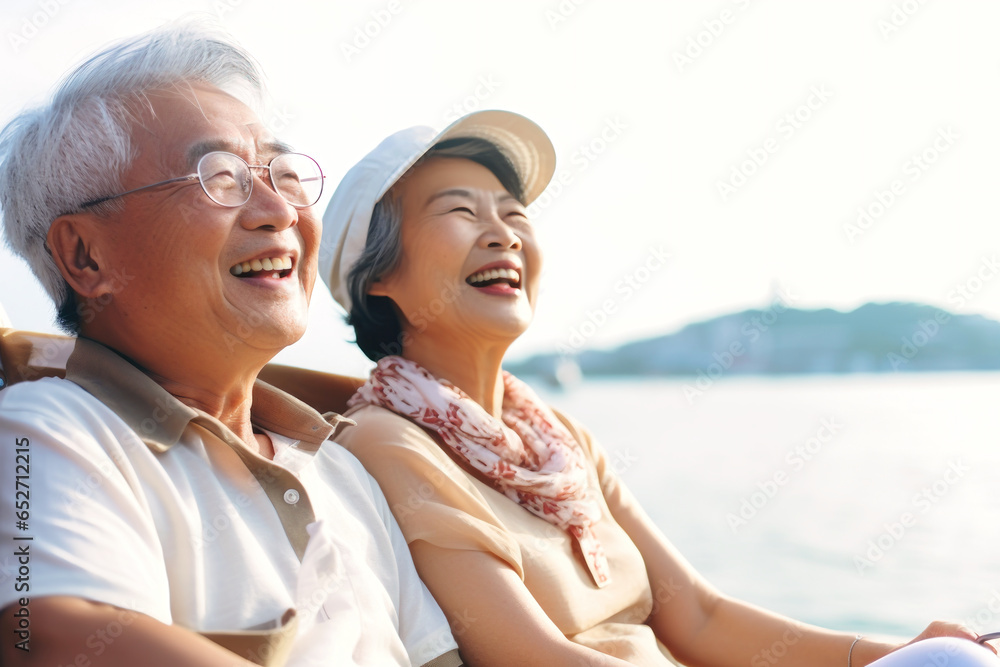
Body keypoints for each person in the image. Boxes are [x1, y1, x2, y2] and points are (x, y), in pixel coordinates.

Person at [313, 109, 1000, 666]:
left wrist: (891, 653)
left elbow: (700, 617)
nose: (504, 234)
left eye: (514, 214)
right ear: (380, 275)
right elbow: (535, 658)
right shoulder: (388, 442)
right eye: (461, 211)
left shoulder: (555, 439)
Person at [0, 22, 460, 667]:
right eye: (219, 176)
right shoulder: (46, 433)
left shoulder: (340, 469)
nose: (280, 210)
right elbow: (52, 632)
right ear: (85, 255)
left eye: (283, 173)